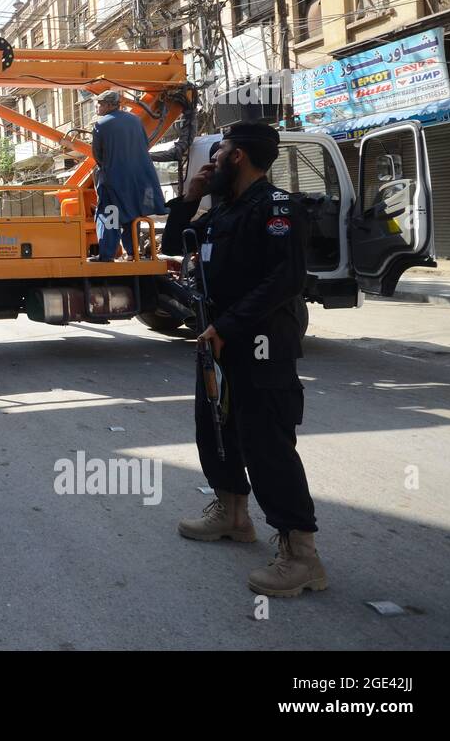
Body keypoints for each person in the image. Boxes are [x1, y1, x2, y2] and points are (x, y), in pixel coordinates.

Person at [163, 121, 326, 597]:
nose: (211, 164)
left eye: (220, 153)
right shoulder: (224, 210)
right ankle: (233, 514)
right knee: (215, 429)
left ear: (238, 157)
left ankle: (302, 556)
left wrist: (227, 327)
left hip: (260, 343)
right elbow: (177, 245)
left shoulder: (277, 208)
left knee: (267, 446)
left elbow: (285, 280)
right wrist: (190, 197)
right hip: (217, 342)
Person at [89, 89, 166, 262]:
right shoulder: (135, 121)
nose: (97, 107)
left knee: (108, 214)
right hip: (139, 177)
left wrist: (107, 167)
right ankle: (132, 253)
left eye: (100, 103)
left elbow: (98, 155)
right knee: (132, 214)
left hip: (114, 178)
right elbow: (144, 145)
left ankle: (107, 254)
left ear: (109, 105)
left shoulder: (101, 125)